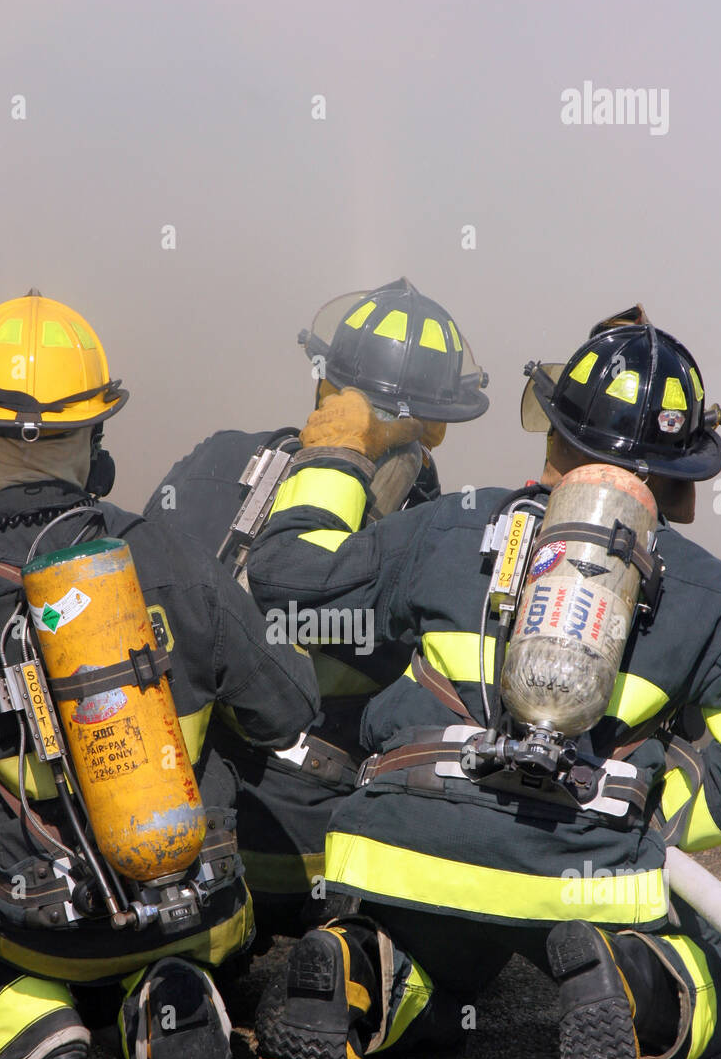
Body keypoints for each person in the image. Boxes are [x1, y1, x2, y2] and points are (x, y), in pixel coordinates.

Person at [247, 319, 721, 1059]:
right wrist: (648, 809)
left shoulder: (448, 525)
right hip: (579, 878)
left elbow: (288, 583)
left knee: (435, 961)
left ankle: (362, 968)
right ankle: (630, 985)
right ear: (680, 475)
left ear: (555, 433)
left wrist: (335, 454)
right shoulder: (716, 593)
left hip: (404, 859)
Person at [0, 289, 318, 1059]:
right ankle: (171, 992)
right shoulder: (179, 561)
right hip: (195, 908)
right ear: (98, 443)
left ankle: (15, 1014)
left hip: (29, 927)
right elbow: (284, 715)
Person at [143, 278, 489, 955]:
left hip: (178, 844)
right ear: (438, 427)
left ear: (322, 385)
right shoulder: (423, 536)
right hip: (320, 866)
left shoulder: (215, 461)